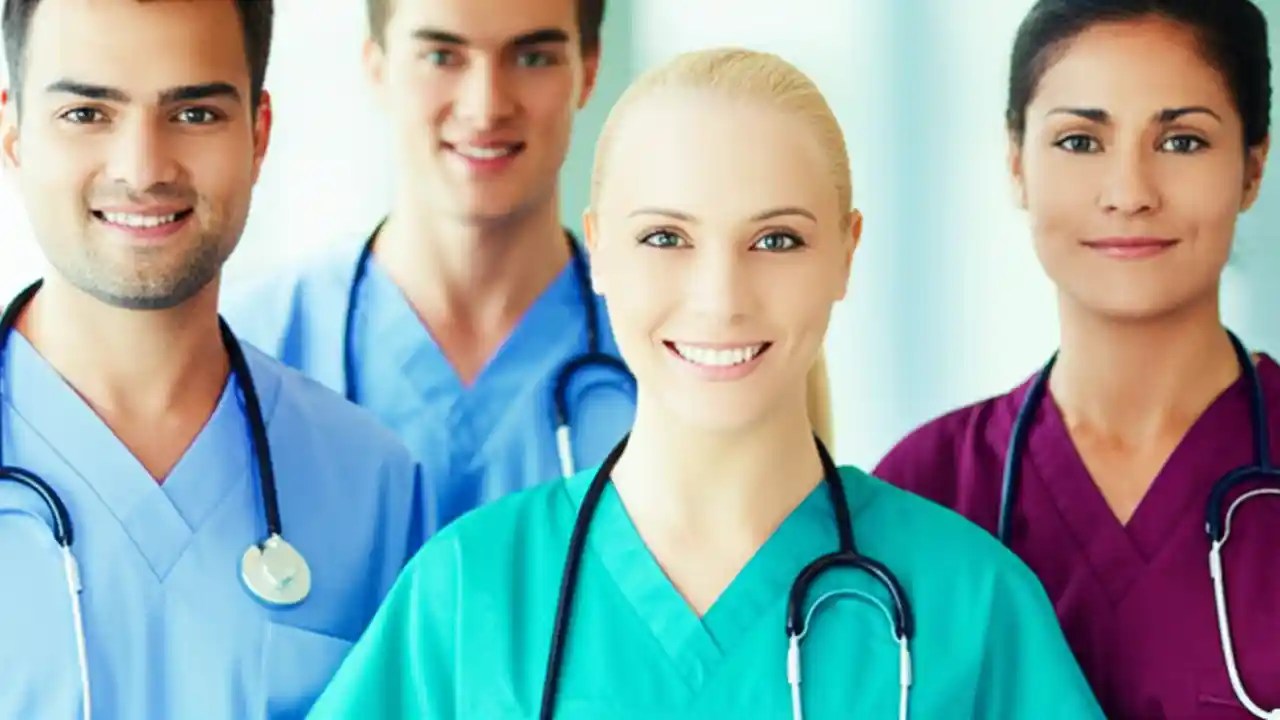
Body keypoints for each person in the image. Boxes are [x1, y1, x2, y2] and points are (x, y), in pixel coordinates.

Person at [306, 47, 1105, 719]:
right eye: (665, 237)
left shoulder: (971, 602)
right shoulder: (469, 592)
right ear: (600, 252)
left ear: (846, 253)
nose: (720, 297)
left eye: (776, 239)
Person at [0, 1, 427, 717]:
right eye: (87, 113)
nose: (143, 169)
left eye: (194, 113)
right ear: (13, 132)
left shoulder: (371, 484)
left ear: (259, 134)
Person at [873, 1, 1276, 717]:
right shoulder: (924, 490)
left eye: (1181, 141)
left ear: (1252, 167)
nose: (1129, 194)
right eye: (1081, 141)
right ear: (1016, 164)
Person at [222, 0, 635, 532]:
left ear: (589, 72)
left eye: (533, 58)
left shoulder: (665, 356)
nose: (486, 107)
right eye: (442, 56)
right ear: (377, 69)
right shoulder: (244, 346)